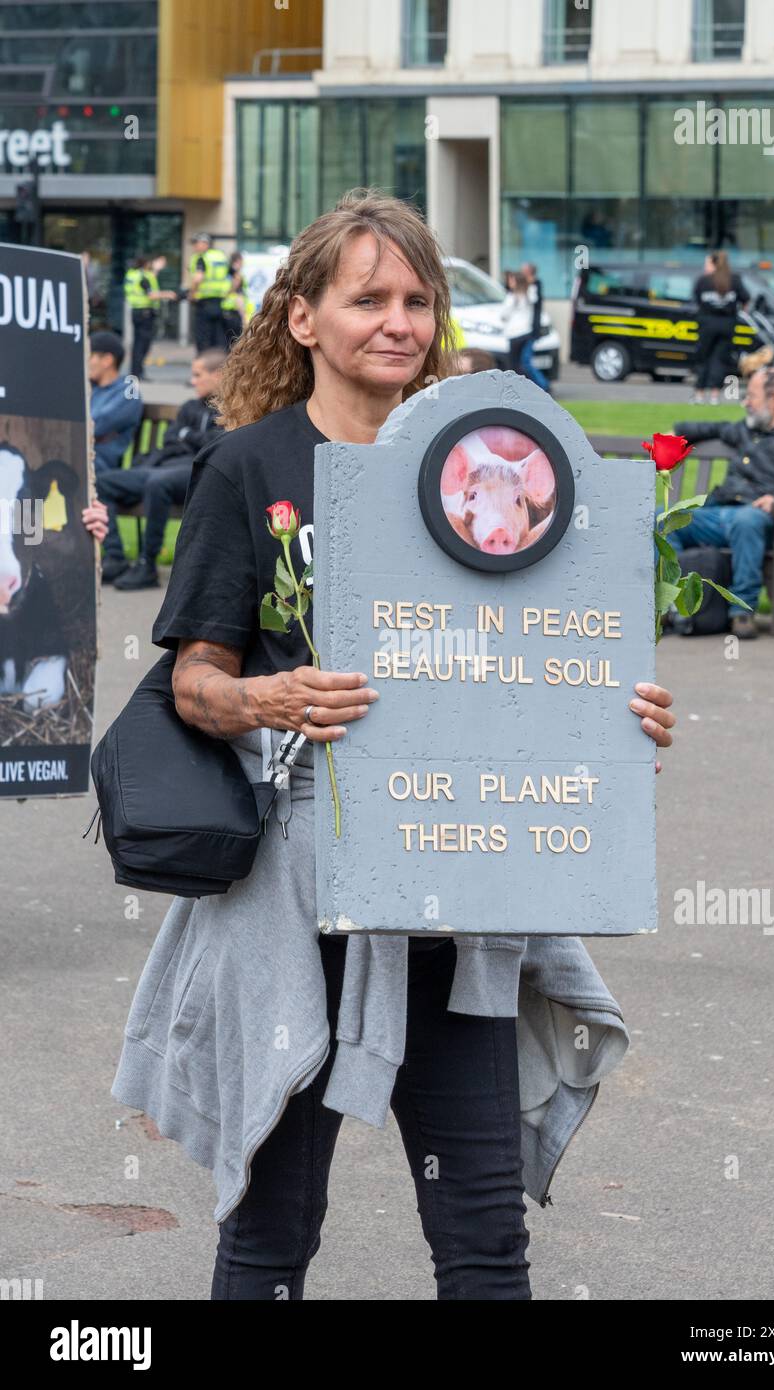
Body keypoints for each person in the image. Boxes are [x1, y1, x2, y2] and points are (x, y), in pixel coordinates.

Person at [109, 189, 676, 1302]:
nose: (398, 321)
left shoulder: (492, 462)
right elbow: (192, 682)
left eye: (417, 299)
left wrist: (616, 717)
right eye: (367, 297)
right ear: (303, 319)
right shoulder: (249, 467)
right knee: (271, 1234)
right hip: (298, 907)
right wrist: (274, 697)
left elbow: (542, 652)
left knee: (483, 1241)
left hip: (456, 907)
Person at [671, 365, 774, 639]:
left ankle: (741, 611)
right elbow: (718, 428)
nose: (745, 401)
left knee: (747, 521)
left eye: (752, 395)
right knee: (664, 520)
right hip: (718, 513)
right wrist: (676, 432)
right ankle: (669, 603)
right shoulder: (748, 430)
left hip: (763, 520)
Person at [96, 348, 227, 590]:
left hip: (197, 472)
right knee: (101, 482)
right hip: (163, 467)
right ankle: (115, 556)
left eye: (198, 375)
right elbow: (170, 438)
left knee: (158, 485)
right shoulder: (189, 407)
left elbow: (216, 445)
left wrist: (186, 435)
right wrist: (192, 437)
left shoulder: (231, 409)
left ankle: (147, 565)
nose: (193, 381)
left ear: (218, 375)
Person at [88, 331, 144, 580]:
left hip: (105, 461)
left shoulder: (130, 386)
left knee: (90, 474)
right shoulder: (88, 387)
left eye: (90, 356)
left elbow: (99, 423)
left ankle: (114, 556)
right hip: (87, 454)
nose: (86, 362)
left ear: (107, 359)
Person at [690, 250, 749, 405]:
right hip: (727, 324)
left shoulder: (703, 281)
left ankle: (699, 394)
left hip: (707, 324)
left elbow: (696, 301)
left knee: (703, 358)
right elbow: (746, 299)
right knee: (720, 360)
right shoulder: (734, 280)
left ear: (713, 264)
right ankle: (715, 395)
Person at [124, 254, 177, 381]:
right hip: (145, 313)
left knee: (138, 343)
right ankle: (138, 372)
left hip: (136, 311)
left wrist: (156, 269)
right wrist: (167, 294)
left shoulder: (131, 274)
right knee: (143, 344)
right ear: (146, 263)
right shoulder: (143, 277)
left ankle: (136, 371)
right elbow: (151, 294)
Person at [187, 232, 233, 352]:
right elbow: (235, 277)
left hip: (204, 302)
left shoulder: (202, 258)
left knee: (203, 337)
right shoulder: (221, 256)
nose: (195, 247)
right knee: (218, 337)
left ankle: (203, 364)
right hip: (220, 302)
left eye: (196, 243)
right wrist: (227, 293)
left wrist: (192, 294)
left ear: (205, 244)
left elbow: (198, 278)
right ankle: (217, 365)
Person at [519, 260, 550, 392]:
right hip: (522, 330)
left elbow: (533, 301)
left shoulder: (535, 285)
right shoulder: (525, 286)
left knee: (526, 360)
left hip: (530, 330)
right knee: (523, 360)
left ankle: (543, 385)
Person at [499, 269, 535, 374]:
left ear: (517, 282)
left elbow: (504, 315)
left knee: (513, 365)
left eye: (512, 280)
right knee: (523, 362)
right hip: (526, 332)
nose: (509, 283)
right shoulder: (529, 295)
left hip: (514, 333)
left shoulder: (511, 297)